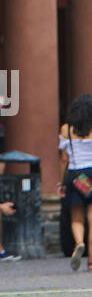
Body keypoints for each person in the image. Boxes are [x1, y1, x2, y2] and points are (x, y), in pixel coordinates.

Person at [59, 93, 92, 272]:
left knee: (76, 217)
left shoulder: (66, 129)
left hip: (75, 174)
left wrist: (61, 182)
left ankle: (79, 243)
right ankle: (91, 262)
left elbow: (64, 158)